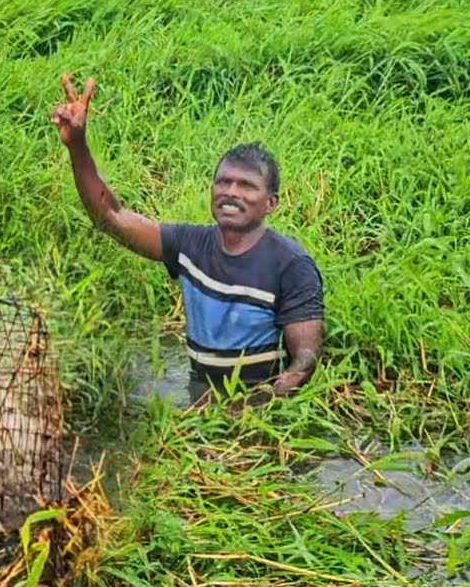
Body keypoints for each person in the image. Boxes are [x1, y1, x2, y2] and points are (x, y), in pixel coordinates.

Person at [50, 73, 324, 404]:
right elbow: (111, 217)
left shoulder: (291, 265)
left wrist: (252, 414)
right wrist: (77, 146)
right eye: (223, 182)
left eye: (246, 186)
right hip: (199, 401)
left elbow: (304, 362)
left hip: (258, 411)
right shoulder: (190, 246)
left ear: (271, 203)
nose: (231, 192)